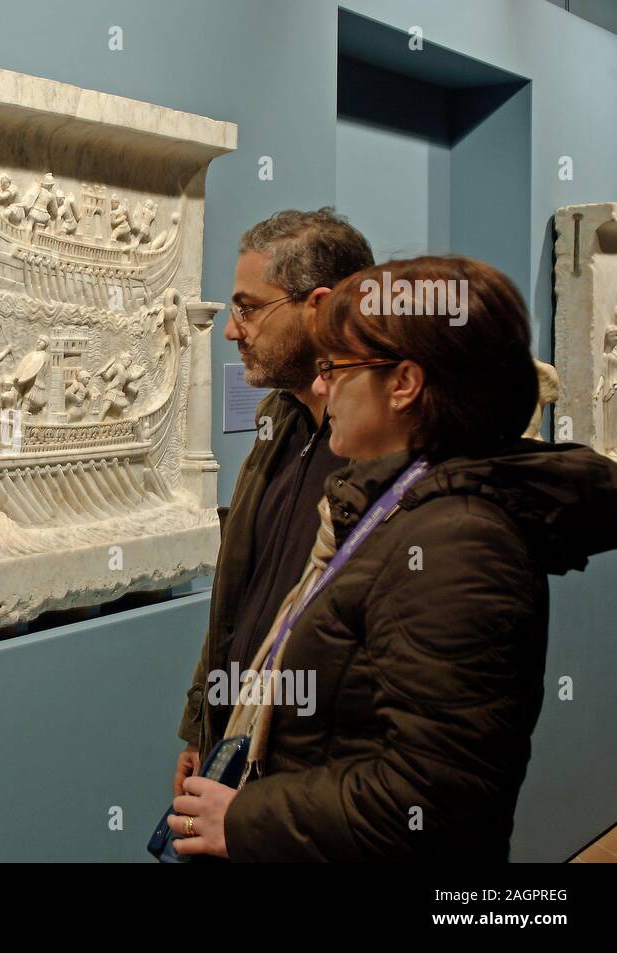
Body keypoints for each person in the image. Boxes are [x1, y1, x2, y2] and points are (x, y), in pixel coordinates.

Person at [169, 256, 617, 860]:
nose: (322, 387)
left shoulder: (458, 544)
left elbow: (434, 803)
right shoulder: (398, 505)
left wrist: (249, 820)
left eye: (335, 368)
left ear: (404, 384)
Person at [173, 209, 373, 799]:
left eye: (249, 308)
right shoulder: (278, 420)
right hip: (240, 751)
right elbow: (241, 592)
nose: (232, 332)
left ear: (319, 307)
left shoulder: (383, 452)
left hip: (309, 786)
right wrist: (205, 728)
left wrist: (274, 810)